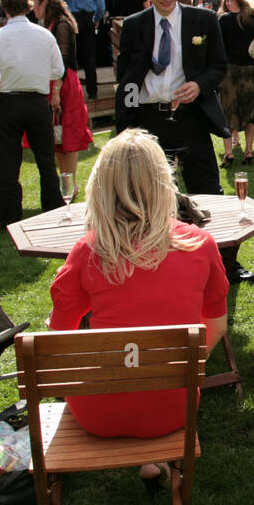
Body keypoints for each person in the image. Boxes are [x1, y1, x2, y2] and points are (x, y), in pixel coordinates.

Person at [49, 129, 227, 449]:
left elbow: (59, 341)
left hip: (96, 413)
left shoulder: (87, 252)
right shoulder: (199, 244)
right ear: (163, 184)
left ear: (101, 186)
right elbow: (215, 325)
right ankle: (153, 459)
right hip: (173, 408)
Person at [115, 0, 229, 197]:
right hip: (149, 118)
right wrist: (127, 120)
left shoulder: (203, 19)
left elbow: (219, 66)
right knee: (151, 194)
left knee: (207, 190)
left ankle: (206, 234)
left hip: (192, 115)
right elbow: (126, 76)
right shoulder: (133, 25)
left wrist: (199, 85)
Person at [0, 0, 65, 228]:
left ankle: (9, 217)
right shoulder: (44, 35)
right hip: (37, 101)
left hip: (10, 101)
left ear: (4, 9)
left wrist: (3, 79)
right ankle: (54, 208)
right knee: (46, 159)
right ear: (28, 5)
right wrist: (36, 74)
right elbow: (58, 70)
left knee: (7, 160)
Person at [31, 0, 93, 181]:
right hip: (55, 82)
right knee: (56, 134)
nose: (33, 9)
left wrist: (56, 91)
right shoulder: (52, 24)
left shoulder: (62, 24)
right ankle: (64, 179)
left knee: (69, 131)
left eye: (35, 4)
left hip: (64, 83)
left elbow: (63, 60)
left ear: (45, 3)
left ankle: (69, 181)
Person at [218, 0, 254, 167]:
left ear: (237, 1)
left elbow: (216, 46)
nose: (226, 3)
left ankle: (229, 153)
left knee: (227, 111)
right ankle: (248, 151)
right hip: (251, 72)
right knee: (251, 111)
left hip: (229, 73)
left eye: (229, 0)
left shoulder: (224, 21)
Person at [54, 0, 106, 99]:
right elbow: (101, 5)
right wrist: (96, 19)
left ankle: (72, 92)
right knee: (90, 56)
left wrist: (63, 16)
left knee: (70, 55)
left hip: (71, 19)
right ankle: (93, 91)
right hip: (88, 18)